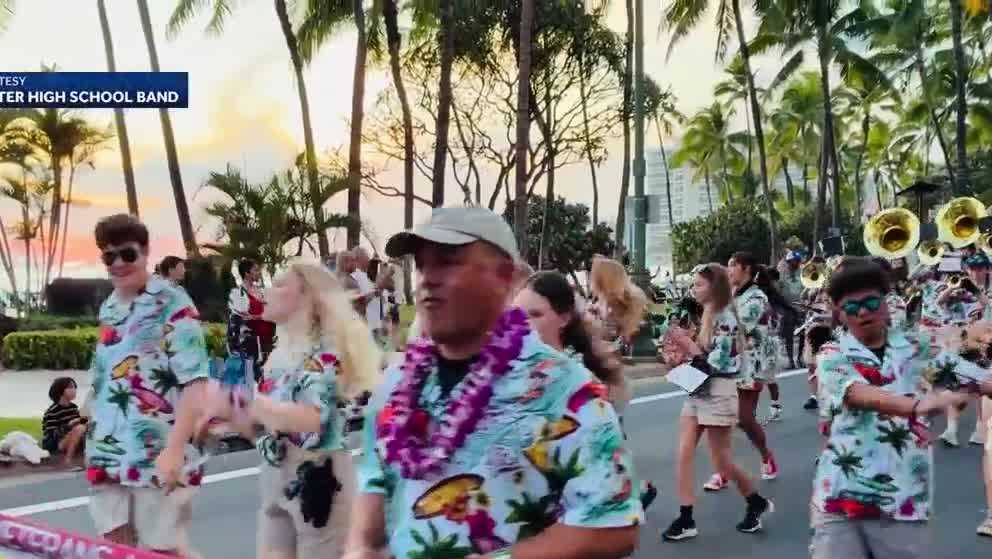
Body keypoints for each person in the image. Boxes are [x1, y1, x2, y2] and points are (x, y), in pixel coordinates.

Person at [346, 207, 642, 559]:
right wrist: (359, 546)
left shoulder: (564, 388)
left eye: (449, 261)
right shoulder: (397, 380)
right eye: (423, 265)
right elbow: (374, 477)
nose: (427, 278)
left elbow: (615, 524)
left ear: (505, 275)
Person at [811, 258, 992, 559]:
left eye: (871, 302)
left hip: (902, 499)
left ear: (886, 303)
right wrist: (917, 405)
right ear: (840, 314)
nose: (864, 312)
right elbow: (859, 393)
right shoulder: (832, 354)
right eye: (852, 307)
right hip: (840, 498)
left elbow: (973, 376)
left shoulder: (916, 348)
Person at [208, 259, 382, 559]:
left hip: (319, 479)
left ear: (305, 296)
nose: (266, 292)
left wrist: (250, 399)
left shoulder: (325, 352)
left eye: (279, 285)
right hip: (276, 474)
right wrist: (229, 415)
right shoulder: (279, 354)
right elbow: (268, 421)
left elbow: (314, 421)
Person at [85, 214, 210, 555]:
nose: (118, 264)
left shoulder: (173, 304)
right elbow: (105, 376)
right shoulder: (110, 308)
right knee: (115, 547)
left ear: (145, 252)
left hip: (156, 453)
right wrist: (86, 421)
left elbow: (196, 384)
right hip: (108, 452)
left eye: (127, 254)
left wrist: (174, 449)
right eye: (108, 257)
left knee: (162, 551)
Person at [514, 271, 658, 509]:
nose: (522, 323)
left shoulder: (580, 382)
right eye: (516, 314)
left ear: (564, 318)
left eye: (536, 315)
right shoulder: (509, 372)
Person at [660, 263, 773, 541]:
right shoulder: (708, 313)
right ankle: (686, 518)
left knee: (722, 462)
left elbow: (716, 363)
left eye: (699, 284)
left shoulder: (726, 317)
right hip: (699, 390)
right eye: (693, 285)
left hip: (719, 389)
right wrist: (678, 355)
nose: (693, 290)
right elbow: (701, 360)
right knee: (683, 452)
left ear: (714, 287)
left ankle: (756, 501)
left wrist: (688, 346)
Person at [703, 252, 781, 492]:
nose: (729, 271)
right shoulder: (732, 296)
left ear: (746, 269)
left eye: (732, 266)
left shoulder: (756, 297)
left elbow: (739, 325)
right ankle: (722, 471)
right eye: (727, 266)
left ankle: (766, 456)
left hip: (751, 365)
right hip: (727, 364)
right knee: (719, 418)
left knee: (744, 418)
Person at [588, 256, 648, 354]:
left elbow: (612, 335)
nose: (592, 279)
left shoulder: (620, 303)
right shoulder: (606, 300)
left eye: (595, 276)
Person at [229, 259, 277, 371]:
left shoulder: (260, 291)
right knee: (256, 375)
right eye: (255, 270)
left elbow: (270, 311)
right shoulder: (239, 294)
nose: (259, 272)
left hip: (269, 339)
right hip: (254, 344)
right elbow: (243, 318)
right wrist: (262, 315)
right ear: (246, 273)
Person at [41, 377, 87, 469]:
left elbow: (79, 422)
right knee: (80, 428)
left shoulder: (73, 408)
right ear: (60, 390)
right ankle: (67, 461)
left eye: (75, 387)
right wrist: (69, 424)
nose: (74, 390)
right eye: (70, 387)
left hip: (72, 438)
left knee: (90, 425)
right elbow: (51, 435)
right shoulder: (52, 411)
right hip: (56, 444)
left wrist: (86, 420)